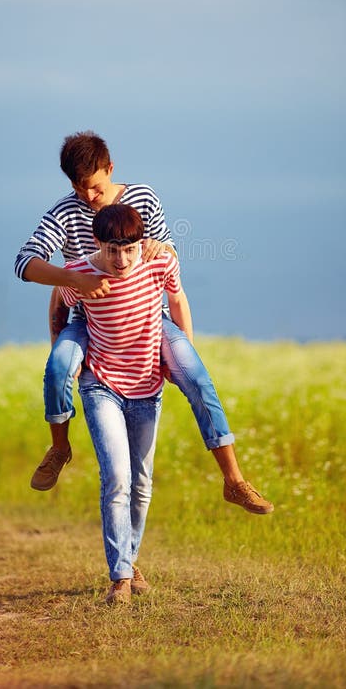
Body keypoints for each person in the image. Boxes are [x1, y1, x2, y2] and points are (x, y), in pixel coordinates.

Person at [15, 131, 272, 513]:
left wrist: (161, 247)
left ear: (110, 169)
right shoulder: (63, 213)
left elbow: (167, 252)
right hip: (89, 319)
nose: (88, 197)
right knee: (56, 368)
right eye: (78, 188)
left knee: (197, 377)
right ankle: (59, 446)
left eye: (96, 187)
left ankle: (234, 480)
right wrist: (75, 279)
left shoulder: (143, 198)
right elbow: (25, 262)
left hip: (149, 315)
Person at [60, 204, 271, 604]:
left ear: (141, 243)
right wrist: (68, 355)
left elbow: (177, 302)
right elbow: (60, 307)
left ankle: (132, 559)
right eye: (111, 251)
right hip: (100, 386)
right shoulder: (82, 274)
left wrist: (180, 354)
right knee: (117, 478)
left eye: (128, 250)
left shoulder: (159, 263)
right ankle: (120, 578)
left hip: (147, 387)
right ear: (98, 245)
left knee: (141, 484)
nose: (120, 260)